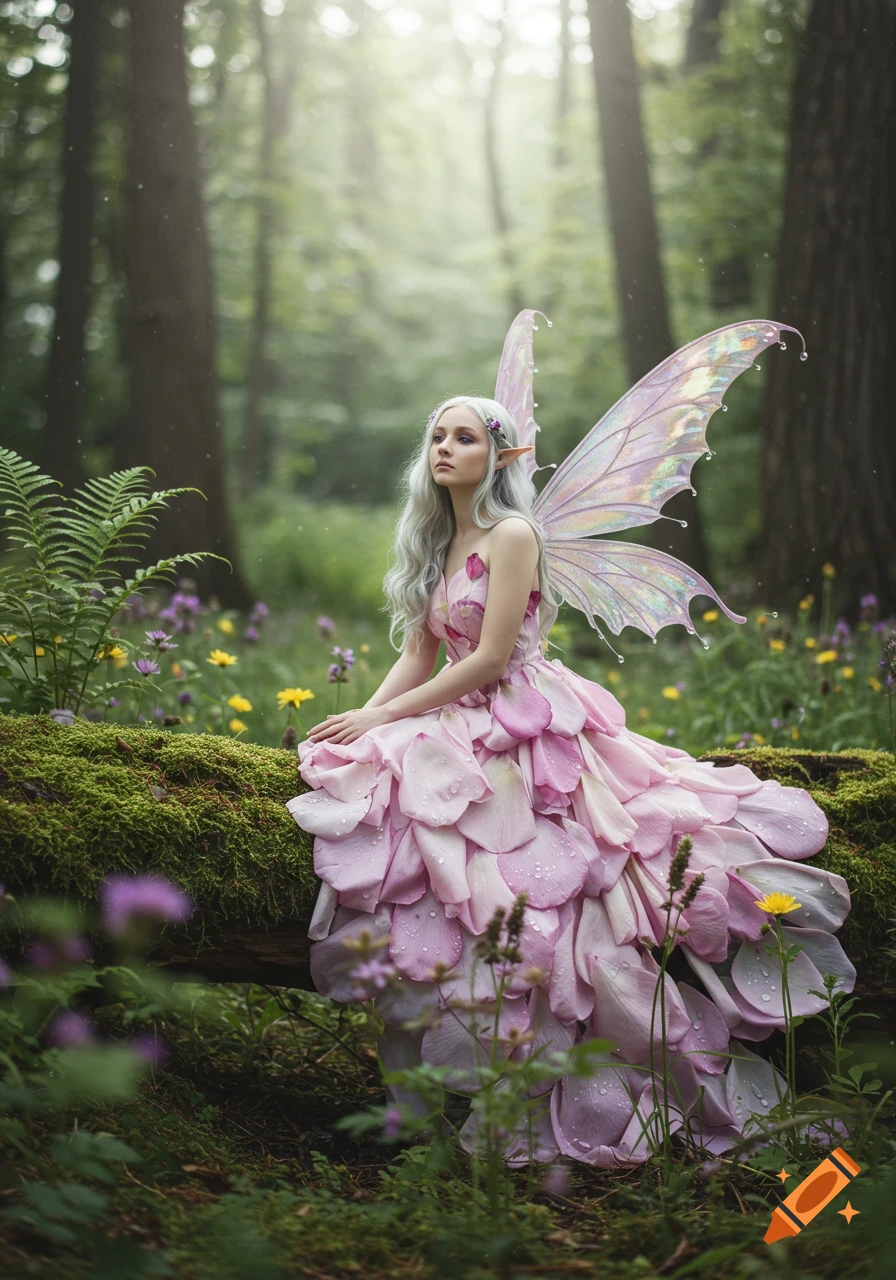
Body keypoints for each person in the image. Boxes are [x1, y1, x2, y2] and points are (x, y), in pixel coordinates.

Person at [286, 325, 854, 1168]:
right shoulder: (436, 542)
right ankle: (418, 1075)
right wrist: (361, 720)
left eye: (465, 436)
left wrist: (386, 724)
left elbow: (484, 658)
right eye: (437, 436)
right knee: (379, 795)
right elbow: (418, 653)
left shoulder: (515, 537)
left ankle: (554, 1037)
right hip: (452, 707)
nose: (445, 448)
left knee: (532, 858)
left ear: (501, 453)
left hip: (517, 710)